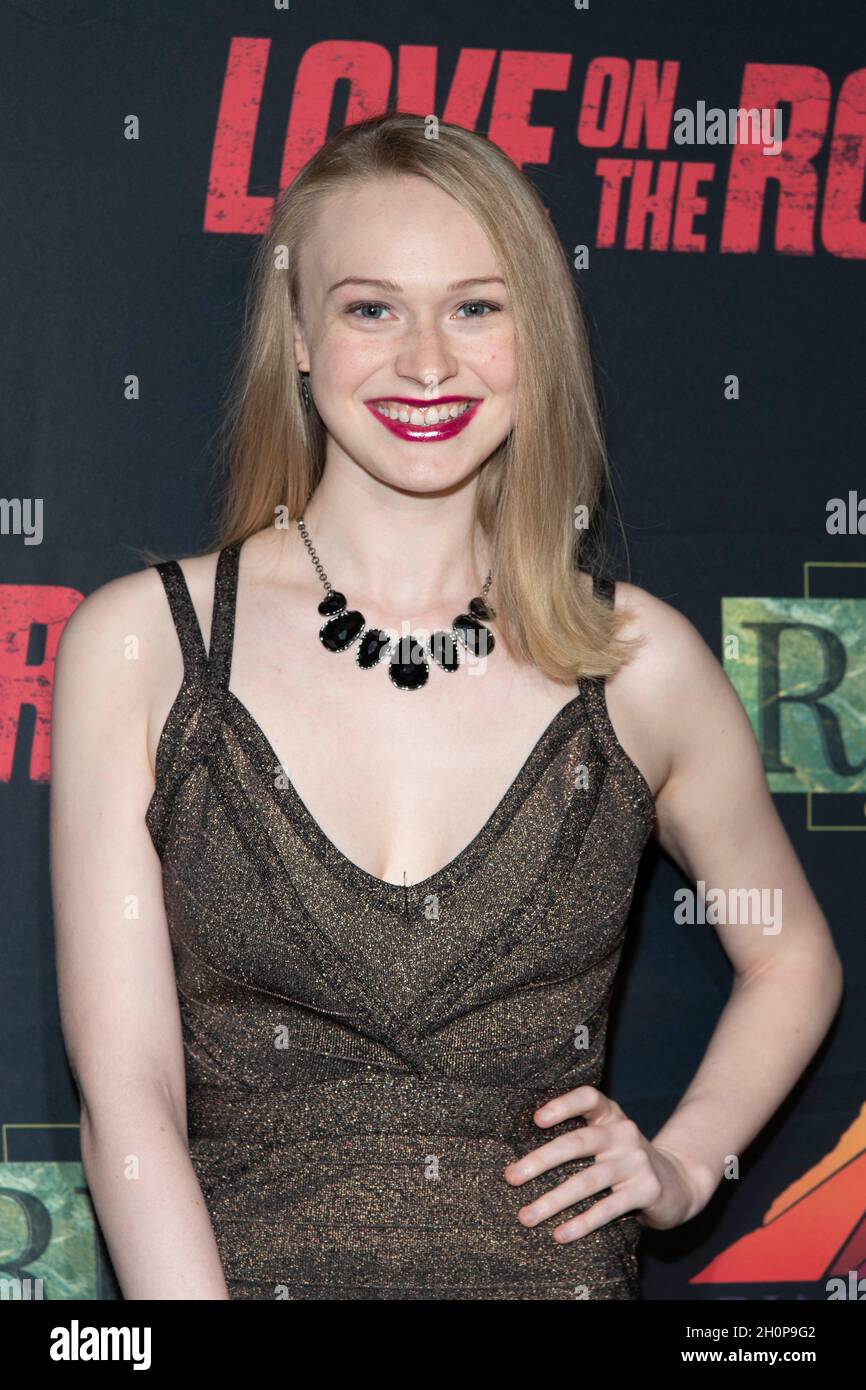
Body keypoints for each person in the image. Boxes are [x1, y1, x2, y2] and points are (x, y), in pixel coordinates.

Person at [50, 112, 843, 1301]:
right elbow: (130, 1097)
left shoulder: (634, 662)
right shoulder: (142, 647)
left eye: (477, 307)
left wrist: (683, 1163)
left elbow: (789, 954)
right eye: (372, 308)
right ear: (300, 338)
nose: (428, 362)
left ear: (537, 335)